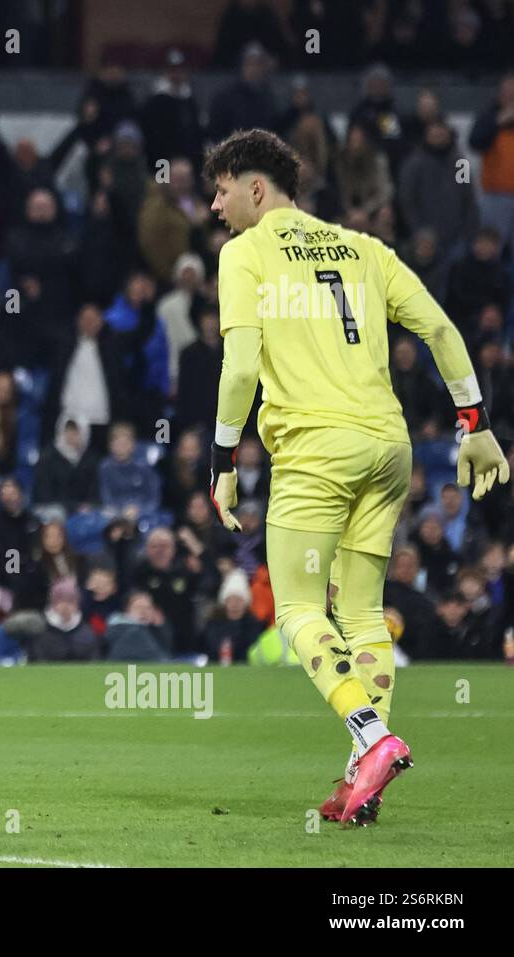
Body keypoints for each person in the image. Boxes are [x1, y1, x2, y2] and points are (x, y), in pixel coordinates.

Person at [202, 128, 509, 826]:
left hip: (317, 450)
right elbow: (440, 328)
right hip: (389, 447)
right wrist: (474, 422)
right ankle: (360, 778)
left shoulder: (244, 254)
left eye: (220, 191)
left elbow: (241, 368)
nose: (215, 207)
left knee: (297, 609)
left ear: (255, 188)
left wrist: (222, 460)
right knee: (364, 614)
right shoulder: (365, 249)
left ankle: (373, 739)